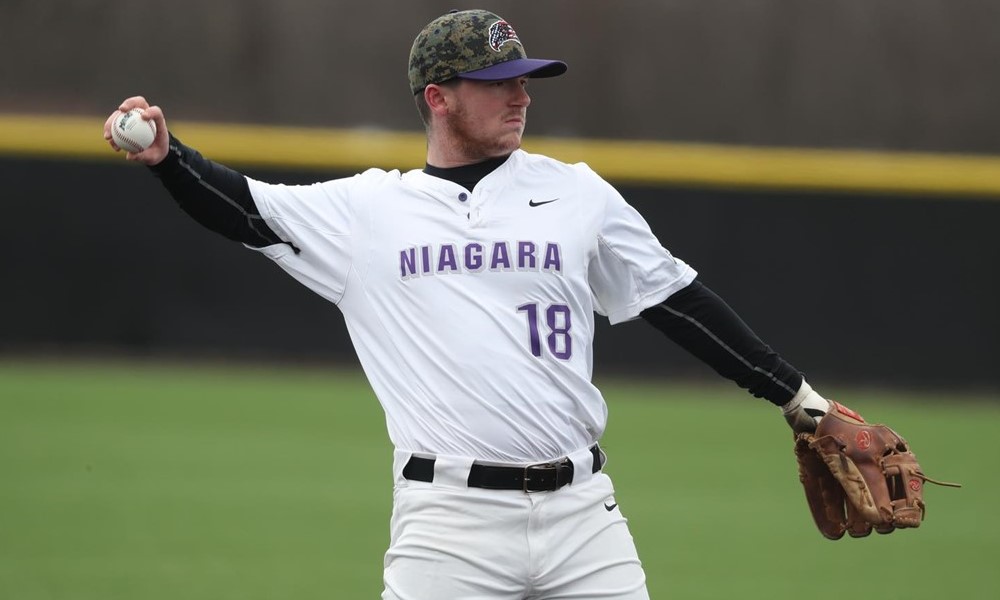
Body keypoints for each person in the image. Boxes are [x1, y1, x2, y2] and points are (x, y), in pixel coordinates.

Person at [103, 9, 833, 599]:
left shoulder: (577, 192)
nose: (522, 95)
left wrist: (800, 400)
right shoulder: (370, 211)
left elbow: (679, 303)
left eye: (526, 80)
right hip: (447, 524)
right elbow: (243, 209)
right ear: (438, 96)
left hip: (583, 515)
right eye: (499, 82)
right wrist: (169, 158)